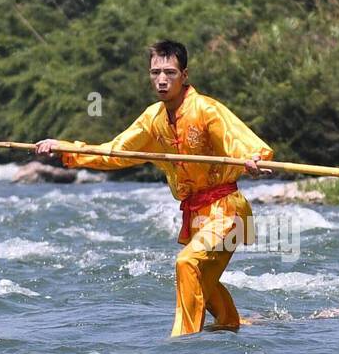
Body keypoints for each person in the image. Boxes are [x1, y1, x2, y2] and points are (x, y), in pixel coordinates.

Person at [34, 40, 274, 337]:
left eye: (170, 72)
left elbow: (237, 140)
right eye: (155, 72)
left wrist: (252, 158)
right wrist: (65, 149)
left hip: (227, 210)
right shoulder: (152, 119)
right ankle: (229, 325)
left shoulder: (207, 109)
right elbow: (115, 153)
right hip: (196, 214)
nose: (162, 79)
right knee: (203, 282)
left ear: (184, 75)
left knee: (187, 263)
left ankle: (183, 341)